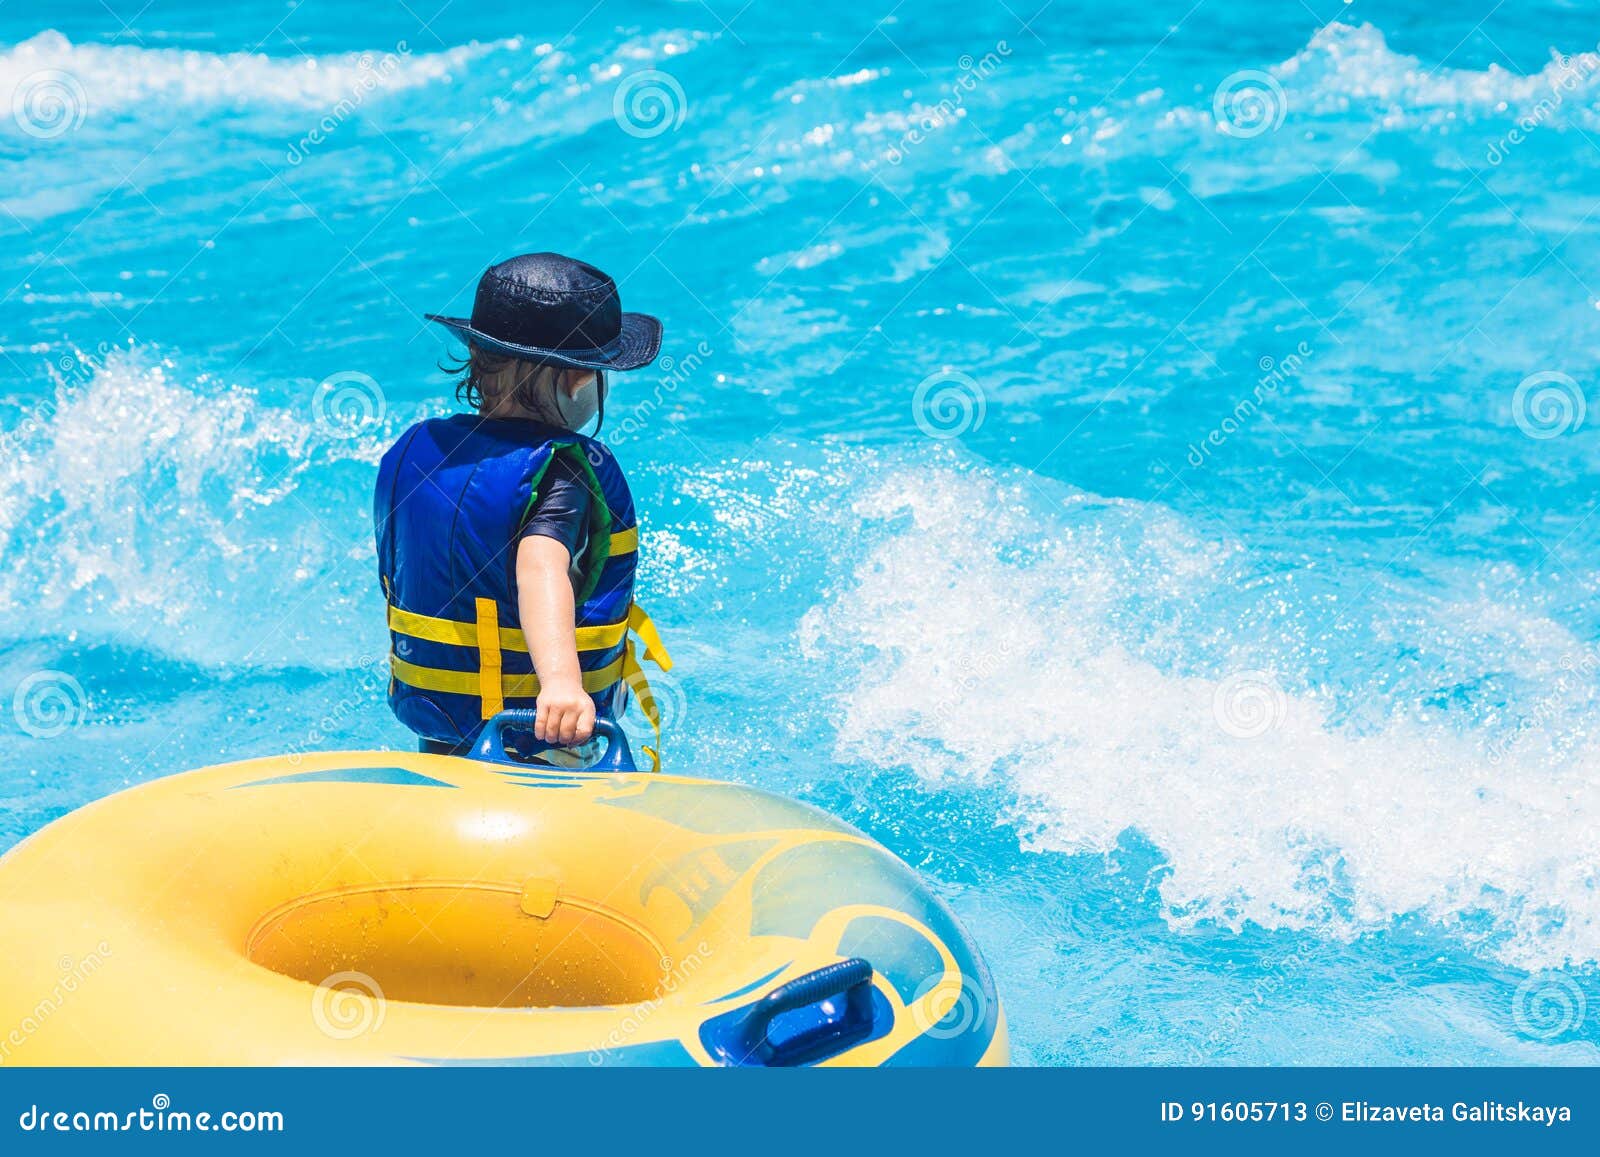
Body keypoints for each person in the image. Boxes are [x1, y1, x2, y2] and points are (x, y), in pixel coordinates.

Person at [374, 252, 672, 761]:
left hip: (442, 735)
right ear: (581, 379)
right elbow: (539, 567)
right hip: (543, 736)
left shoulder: (423, 456)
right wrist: (561, 683)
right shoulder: (561, 470)